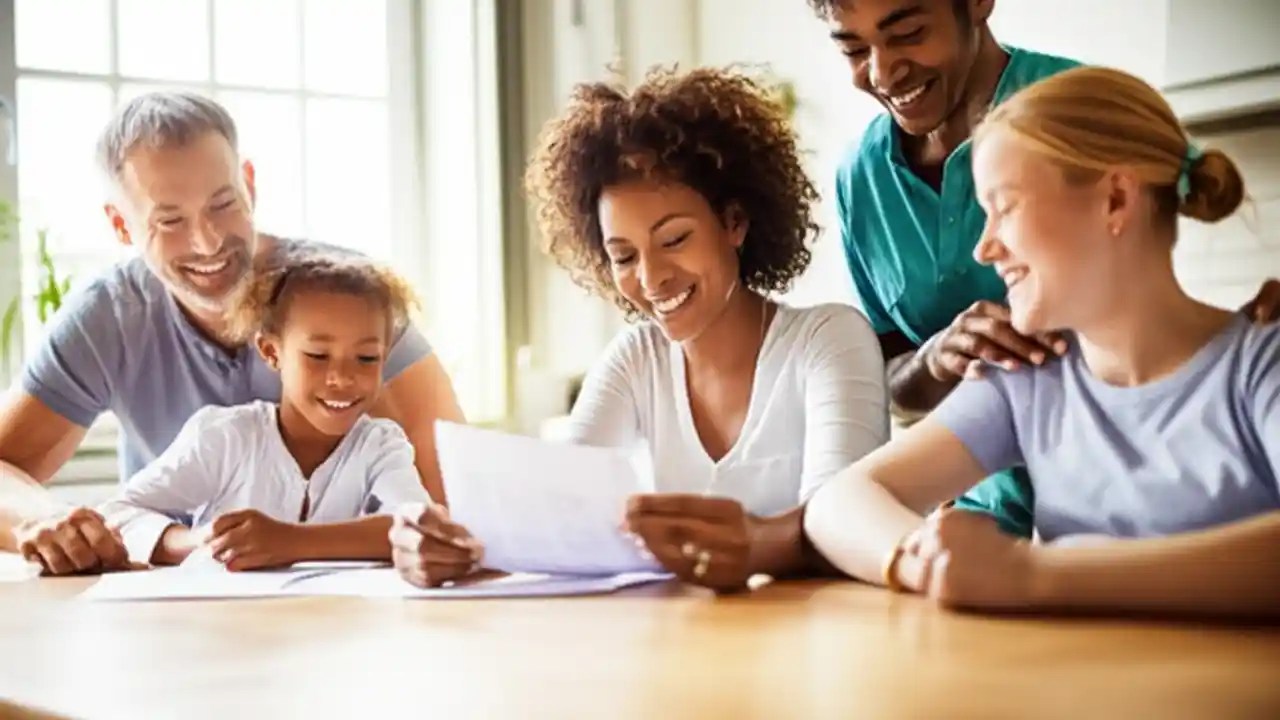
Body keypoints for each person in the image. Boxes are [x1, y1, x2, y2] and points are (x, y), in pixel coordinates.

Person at [659, 67, 1280, 616]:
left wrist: (1033, 577)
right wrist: (920, 561)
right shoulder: (1028, 379)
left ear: (1115, 200)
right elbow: (839, 503)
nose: (986, 247)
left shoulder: (1261, 364)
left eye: (1004, 208)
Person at [391, 66, 889, 588]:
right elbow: (552, 510)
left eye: (674, 240)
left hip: (821, 642)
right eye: (624, 255)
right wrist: (447, 544)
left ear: (735, 223)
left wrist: (756, 542)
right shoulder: (635, 357)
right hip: (686, 647)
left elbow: (842, 522)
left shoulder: (830, 340)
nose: (650, 279)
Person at [807, 0, 1280, 538]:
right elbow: (880, 401)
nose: (883, 70)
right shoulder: (1012, 392)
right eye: (853, 48)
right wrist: (935, 361)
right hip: (984, 509)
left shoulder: (1078, 110)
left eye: (910, 32)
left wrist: (1038, 578)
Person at [1, 92, 464, 574]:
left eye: (223, 205)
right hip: (176, 605)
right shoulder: (109, 318)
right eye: (170, 221)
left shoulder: (347, 299)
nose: (207, 242)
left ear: (249, 184)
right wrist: (45, 521)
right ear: (122, 225)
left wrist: (296, 542)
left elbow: (450, 497)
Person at [31, 251, 429, 574]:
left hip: (338, 638)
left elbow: (417, 524)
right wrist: (198, 543)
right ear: (272, 352)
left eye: (366, 358)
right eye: (317, 355)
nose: (342, 377)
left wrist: (288, 541)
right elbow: (120, 512)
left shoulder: (381, 444)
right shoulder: (226, 437)